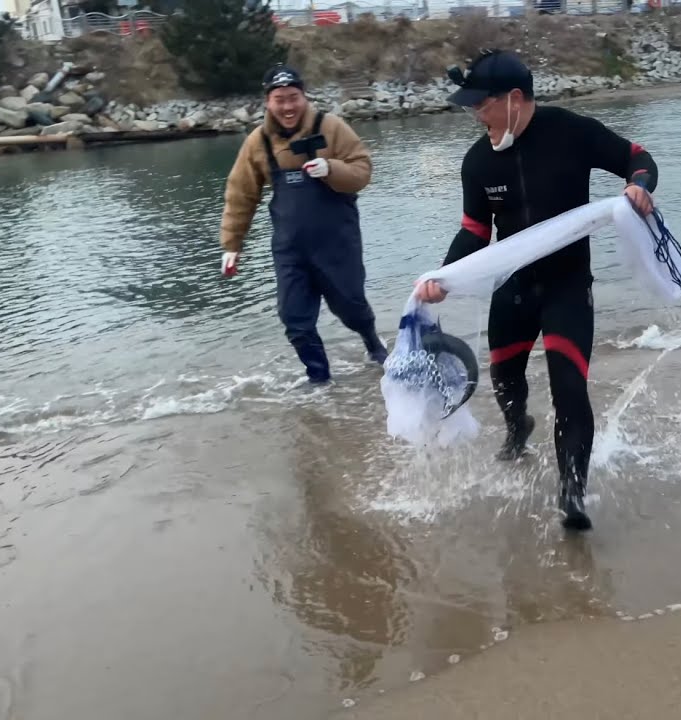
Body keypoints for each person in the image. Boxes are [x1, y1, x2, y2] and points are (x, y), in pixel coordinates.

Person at [413, 49, 658, 532]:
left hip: (567, 285)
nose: (476, 114)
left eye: (482, 104)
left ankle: (572, 492)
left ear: (515, 99)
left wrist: (639, 186)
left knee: (570, 387)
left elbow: (636, 158)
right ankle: (517, 426)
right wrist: (443, 276)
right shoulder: (478, 161)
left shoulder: (572, 132)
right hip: (514, 287)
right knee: (505, 380)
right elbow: (474, 232)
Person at [218, 64, 388, 385]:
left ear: (303, 96)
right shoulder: (259, 142)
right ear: (268, 102)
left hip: (337, 243)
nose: (287, 107)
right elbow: (240, 194)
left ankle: (373, 343)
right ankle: (320, 380)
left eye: (293, 97)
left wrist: (332, 169)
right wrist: (232, 246)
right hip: (290, 250)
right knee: (294, 319)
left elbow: (362, 171)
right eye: (279, 99)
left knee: (352, 308)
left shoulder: (332, 126)